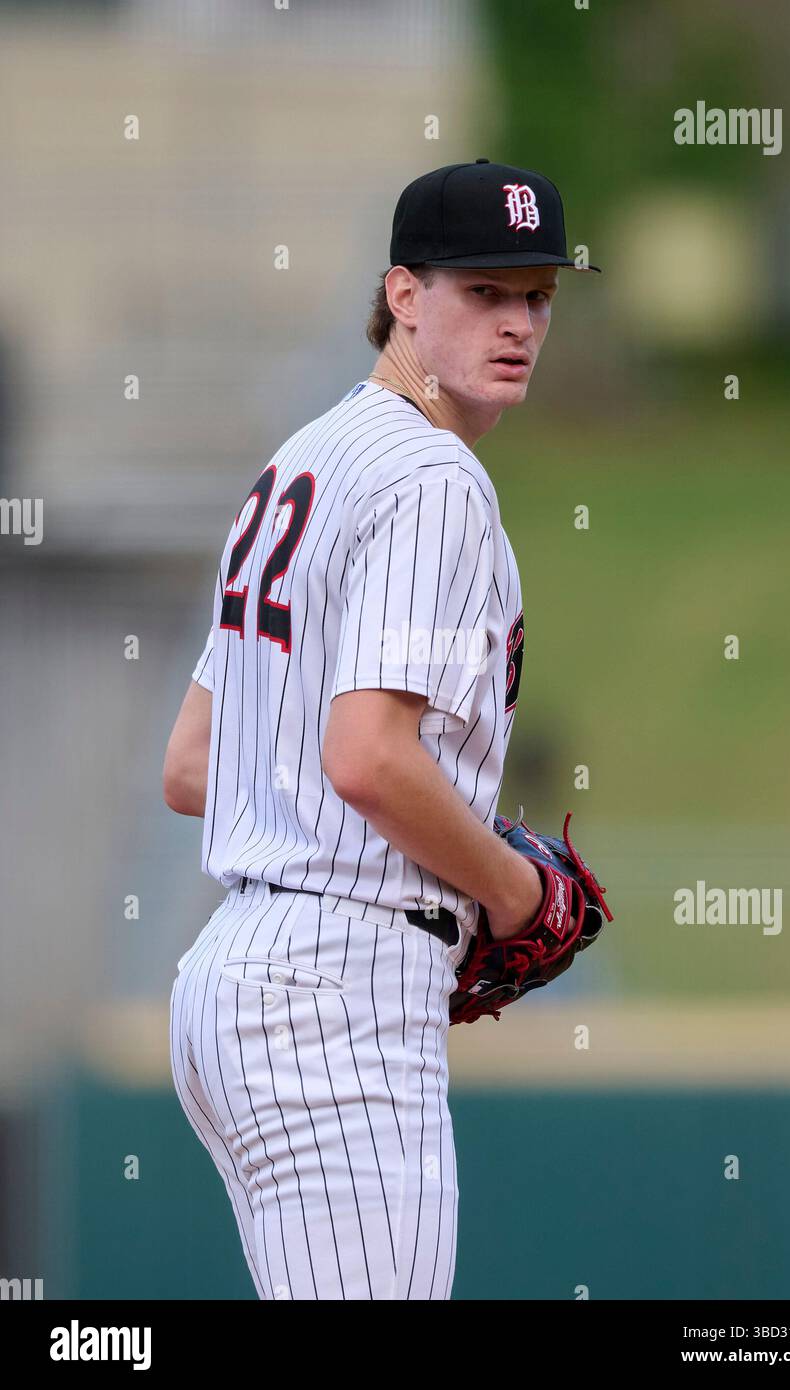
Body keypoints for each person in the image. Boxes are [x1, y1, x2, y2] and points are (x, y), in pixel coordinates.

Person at [163, 158, 598, 1300]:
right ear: (403, 295)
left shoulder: (301, 458)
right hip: (334, 989)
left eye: (535, 297)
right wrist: (512, 890)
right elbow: (363, 757)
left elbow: (195, 763)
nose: (516, 323)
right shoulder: (433, 477)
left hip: (231, 983)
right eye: (482, 292)